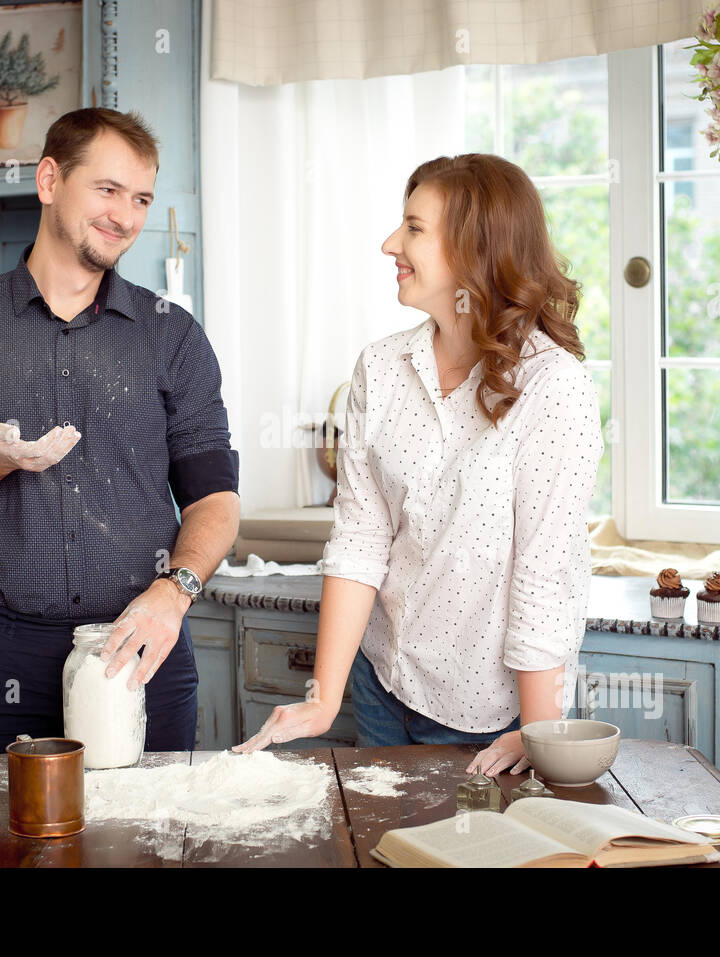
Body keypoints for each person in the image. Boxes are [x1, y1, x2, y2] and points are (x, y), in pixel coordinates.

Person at [0, 108, 240, 779]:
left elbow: (216, 499)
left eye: (141, 198)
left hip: (139, 647)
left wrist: (175, 590)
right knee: (0, 848)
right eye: (107, 190)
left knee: (145, 851)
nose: (126, 217)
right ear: (48, 180)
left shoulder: (172, 337)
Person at [235, 154, 602, 777]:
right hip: (383, 683)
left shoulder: (553, 387)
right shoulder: (379, 369)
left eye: (413, 228)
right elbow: (360, 538)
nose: (389, 244)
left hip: (497, 714)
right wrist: (323, 701)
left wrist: (539, 734)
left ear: (477, 247)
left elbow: (545, 574)